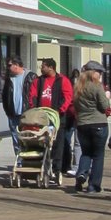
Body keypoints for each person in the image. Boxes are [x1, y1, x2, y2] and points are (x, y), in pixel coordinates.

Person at [24, 57, 73, 185]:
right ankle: (39, 166)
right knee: (39, 142)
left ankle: (57, 169)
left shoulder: (62, 80)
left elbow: (67, 97)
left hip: (57, 118)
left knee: (58, 144)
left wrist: (60, 110)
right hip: (40, 118)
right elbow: (32, 95)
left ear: (51, 67)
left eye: (43, 66)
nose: (41, 68)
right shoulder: (38, 80)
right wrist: (34, 109)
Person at [72, 63, 111, 194]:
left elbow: (75, 106)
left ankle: (81, 173)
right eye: (99, 72)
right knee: (98, 155)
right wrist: (107, 98)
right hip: (98, 123)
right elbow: (104, 106)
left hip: (82, 124)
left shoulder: (78, 87)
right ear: (93, 73)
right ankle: (93, 186)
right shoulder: (96, 86)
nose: (100, 75)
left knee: (86, 152)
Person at [1, 57, 26, 155]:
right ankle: (18, 160)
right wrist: (7, 110)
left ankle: (27, 159)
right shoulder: (9, 79)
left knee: (26, 137)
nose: (8, 68)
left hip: (26, 114)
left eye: (9, 65)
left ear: (16, 65)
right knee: (15, 138)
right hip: (12, 114)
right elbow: (4, 95)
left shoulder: (29, 76)